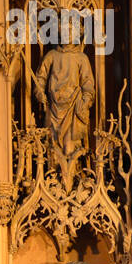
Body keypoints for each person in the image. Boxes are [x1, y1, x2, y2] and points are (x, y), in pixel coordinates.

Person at [33, 36, 94, 193]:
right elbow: (40, 79)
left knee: (70, 145)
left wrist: (86, 100)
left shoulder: (81, 58)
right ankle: (54, 180)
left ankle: (72, 181)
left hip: (74, 106)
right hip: (55, 107)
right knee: (53, 145)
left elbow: (88, 84)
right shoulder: (52, 55)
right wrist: (40, 93)